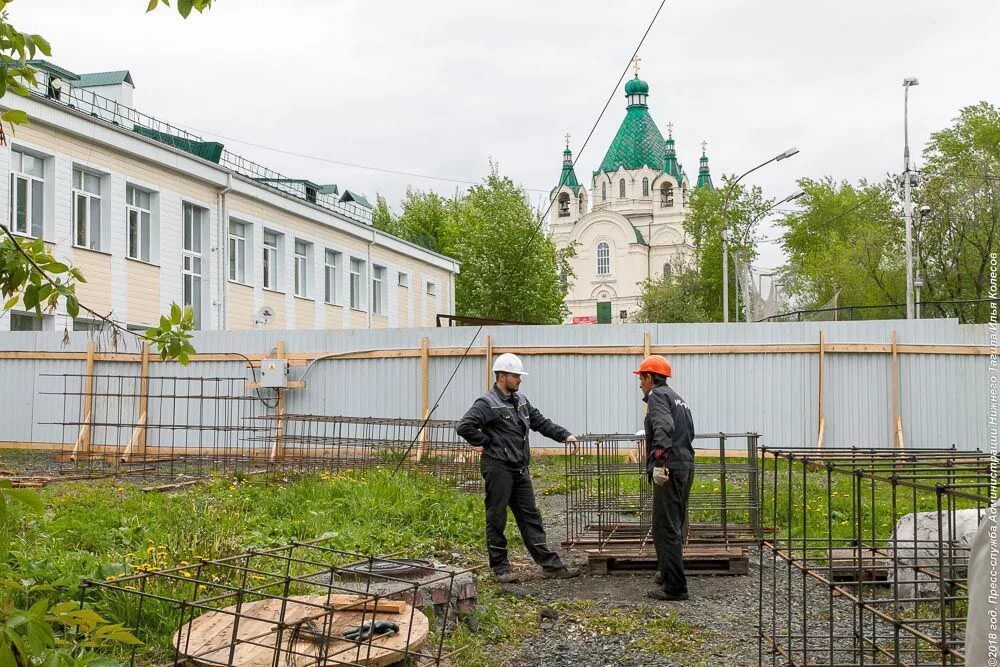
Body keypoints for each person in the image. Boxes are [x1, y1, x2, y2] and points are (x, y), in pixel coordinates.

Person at [457, 352, 581, 583]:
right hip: (498, 468)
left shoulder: (520, 400)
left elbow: (540, 422)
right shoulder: (487, 403)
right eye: (516, 375)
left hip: (519, 468)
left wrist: (565, 435)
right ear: (501, 376)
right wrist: (486, 442)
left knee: (530, 515)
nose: (520, 379)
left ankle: (550, 565)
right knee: (497, 516)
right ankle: (501, 569)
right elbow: (464, 426)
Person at [634, 354, 695, 601]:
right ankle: (666, 571)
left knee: (665, 527)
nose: (640, 384)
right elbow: (688, 432)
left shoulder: (658, 396)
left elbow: (665, 428)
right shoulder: (678, 399)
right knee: (675, 522)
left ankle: (675, 587)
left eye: (641, 379)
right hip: (685, 465)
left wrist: (659, 461)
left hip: (669, 468)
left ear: (650, 378)